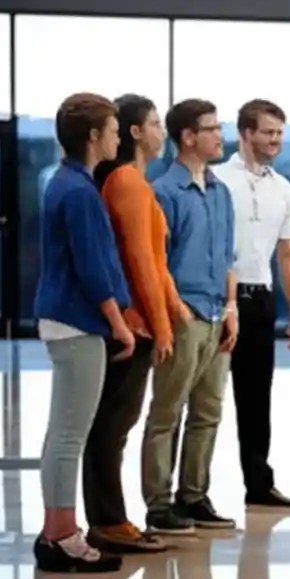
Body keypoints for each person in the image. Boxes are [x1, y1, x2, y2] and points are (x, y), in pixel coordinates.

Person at [32, 92, 134, 572]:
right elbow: (93, 268)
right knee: (70, 434)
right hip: (77, 321)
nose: (117, 138)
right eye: (112, 131)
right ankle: (62, 536)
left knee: (63, 432)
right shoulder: (78, 192)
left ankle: (57, 532)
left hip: (65, 319)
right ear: (93, 136)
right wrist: (119, 323)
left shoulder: (68, 183)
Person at [83, 94, 181, 554]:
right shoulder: (127, 182)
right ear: (136, 133)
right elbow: (141, 262)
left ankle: (111, 518)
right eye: (156, 123)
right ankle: (108, 522)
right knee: (112, 425)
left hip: (138, 318)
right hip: (132, 323)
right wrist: (162, 327)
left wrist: (173, 308)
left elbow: (156, 261)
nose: (163, 132)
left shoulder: (133, 181)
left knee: (115, 423)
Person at [141, 98, 240, 534]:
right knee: (167, 411)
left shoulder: (221, 192)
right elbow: (156, 261)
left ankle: (194, 496)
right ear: (187, 137)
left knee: (208, 411)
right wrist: (175, 312)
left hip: (218, 314)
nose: (220, 136)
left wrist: (232, 307)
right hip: (184, 315)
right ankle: (159, 504)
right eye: (211, 128)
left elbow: (229, 256)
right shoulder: (164, 192)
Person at [214, 98, 290, 510]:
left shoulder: (283, 188)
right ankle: (190, 493)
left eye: (280, 133)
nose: (275, 140)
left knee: (256, 399)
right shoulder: (218, 181)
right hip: (219, 300)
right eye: (268, 132)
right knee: (204, 399)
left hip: (261, 299)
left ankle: (259, 485)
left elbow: (288, 252)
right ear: (245, 133)